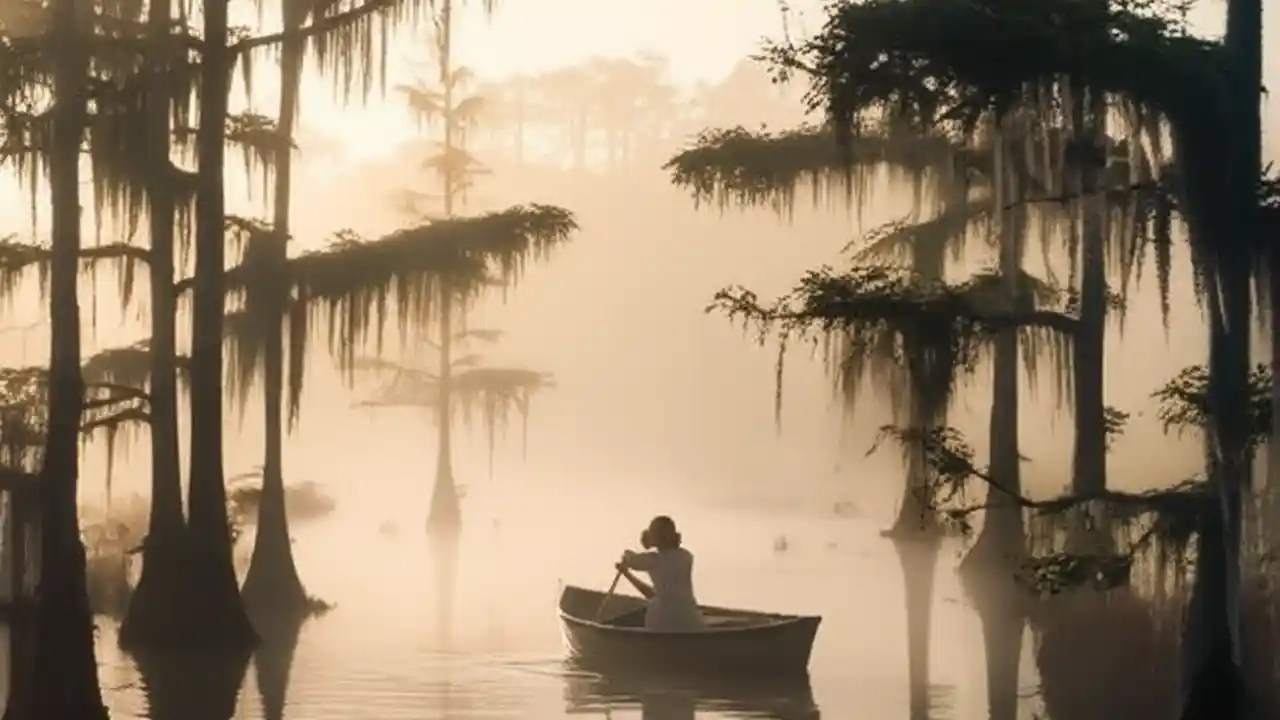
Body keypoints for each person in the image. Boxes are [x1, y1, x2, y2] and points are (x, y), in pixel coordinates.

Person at [616, 515, 705, 632]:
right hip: (691, 620)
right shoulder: (686, 556)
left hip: (663, 621)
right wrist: (627, 574)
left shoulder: (653, 560)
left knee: (656, 607)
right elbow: (654, 593)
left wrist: (629, 558)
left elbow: (630, 558)